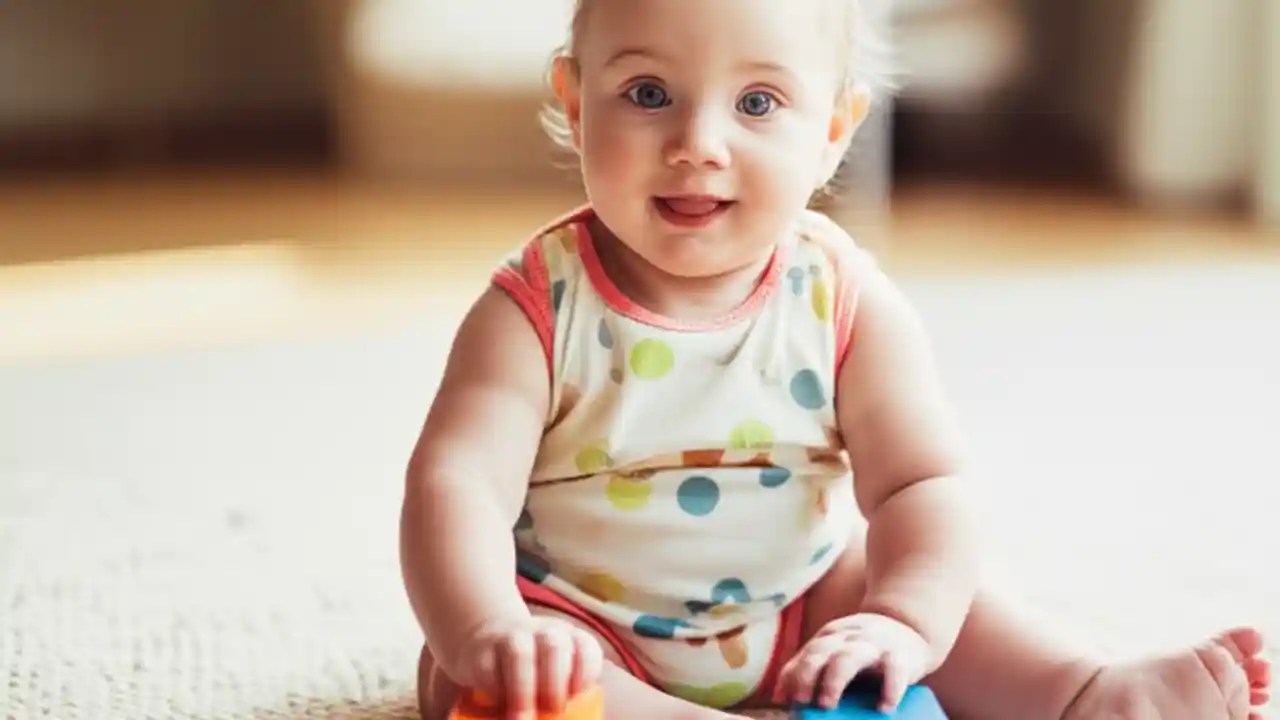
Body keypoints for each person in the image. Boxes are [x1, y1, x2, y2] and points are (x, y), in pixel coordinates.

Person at [400, 1, 1271, 718]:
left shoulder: (841, 297)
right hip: (586, 620)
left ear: (832, 131)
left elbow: (922, 485)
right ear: (579, 100)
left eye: (757, 104)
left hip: (804, 603)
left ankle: (1087, 692)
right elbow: (458, 487)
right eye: (649, 92)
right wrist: (487, 627)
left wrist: (899, 622)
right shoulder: (534, 309)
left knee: (936, 591)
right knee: (490, 689)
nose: (699, 142)